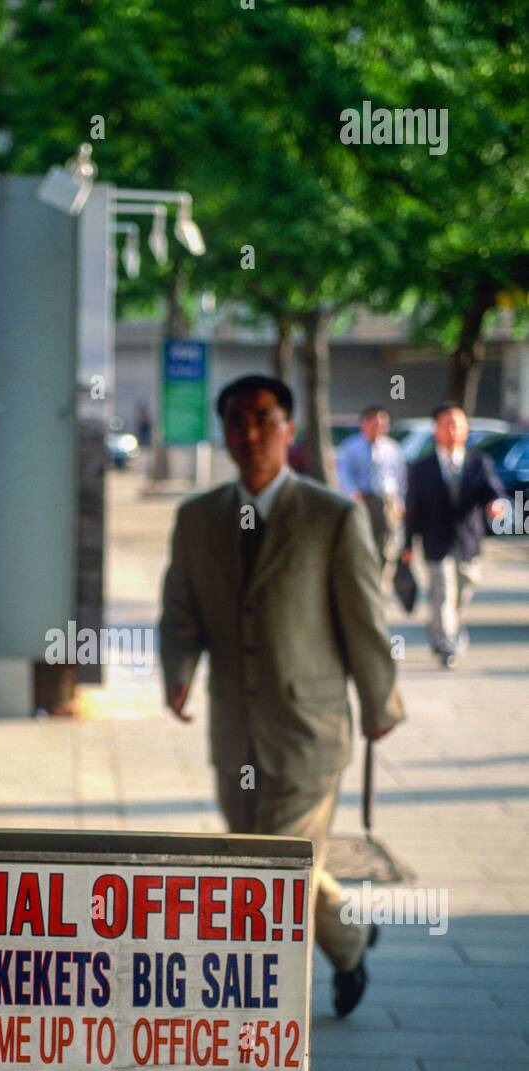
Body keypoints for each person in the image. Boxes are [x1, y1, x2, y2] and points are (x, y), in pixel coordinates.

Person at [160, 375, 406, 1017]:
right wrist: (178, 669)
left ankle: (262, 1015)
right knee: (266, 859)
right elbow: (181, 610)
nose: (249, 433)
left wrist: (381, 704)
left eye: (264, 419)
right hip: (235, 729)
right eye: (237, 420)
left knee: (268, 870)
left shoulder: (333, 516)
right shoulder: (196, 519)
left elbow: (364, 621)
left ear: (288, 431)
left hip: (308, 731)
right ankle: (349, 936)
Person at [401, 402, 506, 669]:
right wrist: (407, 544)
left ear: (466, 430)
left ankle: (445, 627)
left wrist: (496, 505)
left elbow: (494, 491)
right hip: (435, 540)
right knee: (443, 591)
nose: (452, 430)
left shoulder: (478, 462)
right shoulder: (421, 468)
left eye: (458, 425)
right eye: (447, 424)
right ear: (436, 430)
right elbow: (412, 509)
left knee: (461, 592)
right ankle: (448, 643)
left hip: (468, 541)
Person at [336, 406, 406, 570]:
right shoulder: (351, 447)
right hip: (362, 498)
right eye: (375, 423)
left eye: (383, 423)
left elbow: (400, 477)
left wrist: (400, 501)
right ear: (364, 423)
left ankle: (382, 575)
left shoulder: (392, 448)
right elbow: (344, 473)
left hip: (387, 499)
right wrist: (353, 493)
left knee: (387, 539)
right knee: (362, 537)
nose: (380, 427)